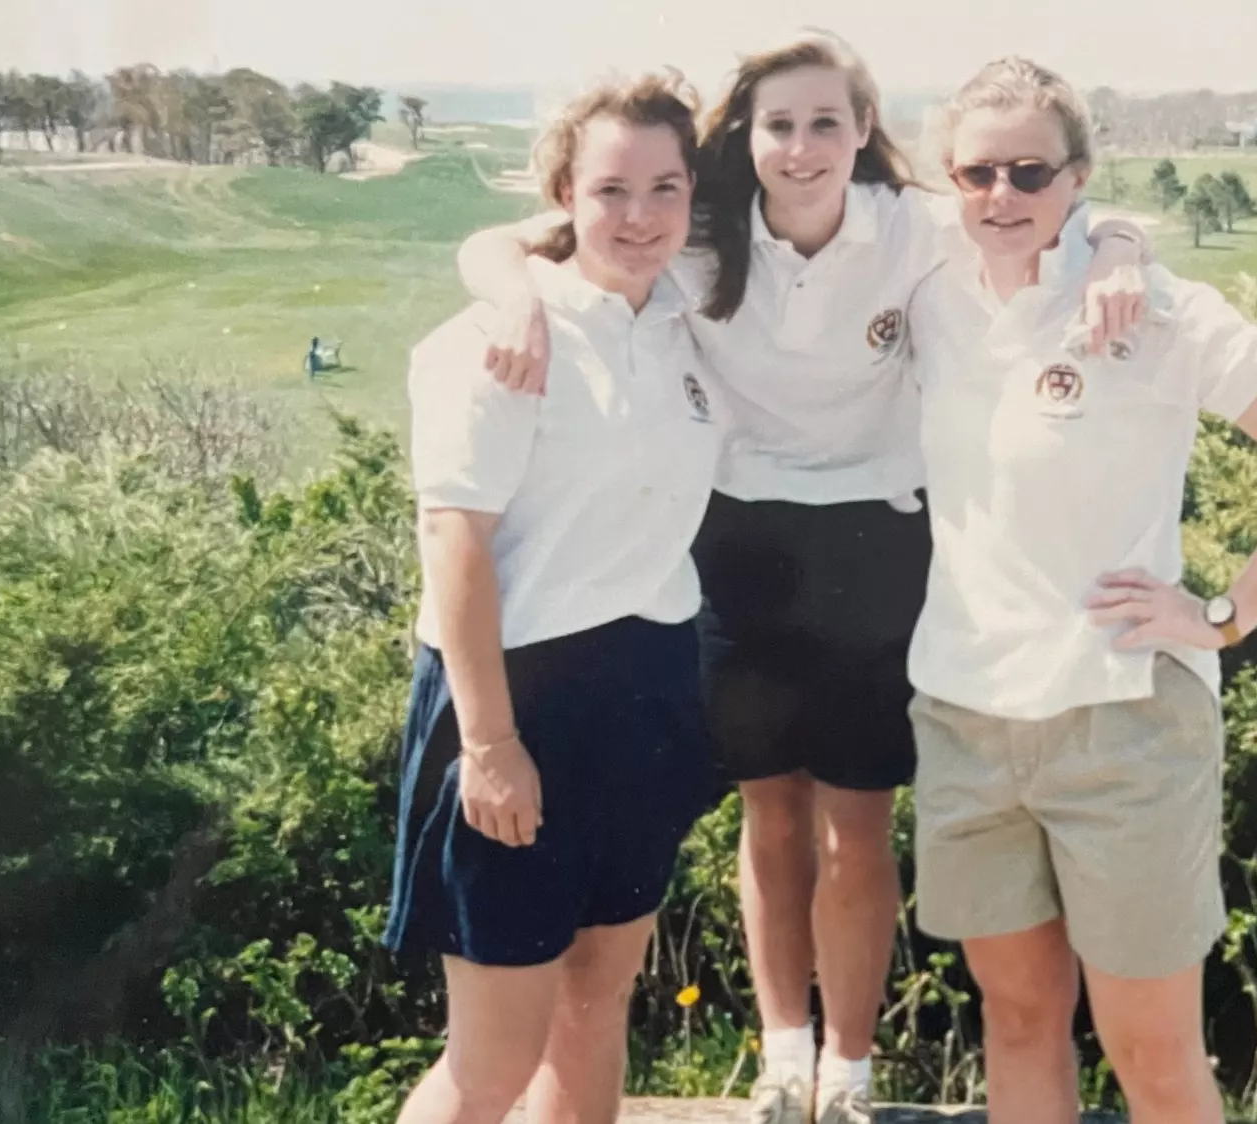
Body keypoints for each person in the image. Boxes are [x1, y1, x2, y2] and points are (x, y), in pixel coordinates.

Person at [448, 31, 1152, 1124]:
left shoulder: (912, 229)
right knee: (768, 819)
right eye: (778, 124)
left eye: (827, 121)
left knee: (855, 824)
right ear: (747, 137)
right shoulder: (696, 233)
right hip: (734, 542)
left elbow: (1070, 215)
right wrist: (508, 301)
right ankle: (784, 1053)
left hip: (876, 539)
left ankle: (849, 1066)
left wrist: (1118, 255)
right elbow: (505, 243)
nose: (802, 145)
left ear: (863, 130)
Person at [903, 59, 1257, 1124]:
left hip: (1122, 724)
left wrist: (1223, 615)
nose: (1001, 195)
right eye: (977, 171)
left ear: (1075, 176)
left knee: (1149, 1048)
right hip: (965, 716)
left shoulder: (1151, 309)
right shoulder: (928, 282)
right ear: (947, 177)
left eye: (1030, 170)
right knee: (1016, 1018)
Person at [383, 72, 723, 1124]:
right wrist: (488, 744)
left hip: (647, 691)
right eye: (610, 188)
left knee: (596, 1002)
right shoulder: (497, 340)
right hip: (514, 702)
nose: (638, 216)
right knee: (491, 1058)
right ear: (563, 194)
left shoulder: (684, 310)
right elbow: (453, 540)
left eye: (664, 188)